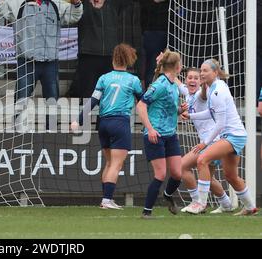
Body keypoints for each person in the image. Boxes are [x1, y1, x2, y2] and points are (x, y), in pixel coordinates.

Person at [71, 43, 142, 209]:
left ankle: (106, 199)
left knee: (110, 164)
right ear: (129, 60)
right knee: (116, 165)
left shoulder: (104, 78)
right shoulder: (133, 80)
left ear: (113, 59)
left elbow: (93, 100)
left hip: (102, 123)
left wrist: (78, 120)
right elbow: (143, 101)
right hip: (120, 122)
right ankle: (107, 200)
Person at [183, 59, 258, 216]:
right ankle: (250, 207)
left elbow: (220, 123)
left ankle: (200, 204)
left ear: (215, 72)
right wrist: (191, 115)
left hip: (233, 135)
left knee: (202, 160)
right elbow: (211, 113)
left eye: (205, 71)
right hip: (232, 135)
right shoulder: (213, 88)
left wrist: (204, 143)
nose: (202, 73)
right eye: (201, 70)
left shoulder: (217, 91)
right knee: (230, 176)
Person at [0, 0, 83, 129]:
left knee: (52, 100)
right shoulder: (18, 4)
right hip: (26, 62)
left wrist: (77, 4)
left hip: (50, 63)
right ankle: (18, 131)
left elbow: (74, 16)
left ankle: (50, 131)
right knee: (21, 98)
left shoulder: (56, 5)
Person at [175, 67, 234, 214]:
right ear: (186, 80)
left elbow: (205, 92)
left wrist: (208, 79)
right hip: (210, 140)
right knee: (209, 178)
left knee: (182, 166)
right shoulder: (188, 94)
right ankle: (226, 204)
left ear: (202, 81)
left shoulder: (203, 94)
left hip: (212, 141)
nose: (193, 80)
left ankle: (198, 202)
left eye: (197, 78)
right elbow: (177, 82)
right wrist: (165, 64)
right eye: (190, 78)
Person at [136, 49, 183, 218]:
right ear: (178, 66)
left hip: (170, 134)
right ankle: (146, 212)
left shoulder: (173, 85)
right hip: (155, 134)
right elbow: (141, 105)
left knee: (178, 173)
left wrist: (179, 111)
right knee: (161, 174)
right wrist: (150, 128)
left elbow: (164, 107)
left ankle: (168, 195)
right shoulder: (159, 85)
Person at [68, 0, 126, 98]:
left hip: (109, 56)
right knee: (87, 95)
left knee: (108, 95)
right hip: (88, 55)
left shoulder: (114, 4)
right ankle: (86, 113)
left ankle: (105, 114)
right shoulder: (82, 5)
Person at [139, 0, 169, 90]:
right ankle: (150, 91)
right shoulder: (145, 4)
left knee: (167, 64)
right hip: (151, 35)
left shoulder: (171, 5)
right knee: (152, 66)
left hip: (169, 34)